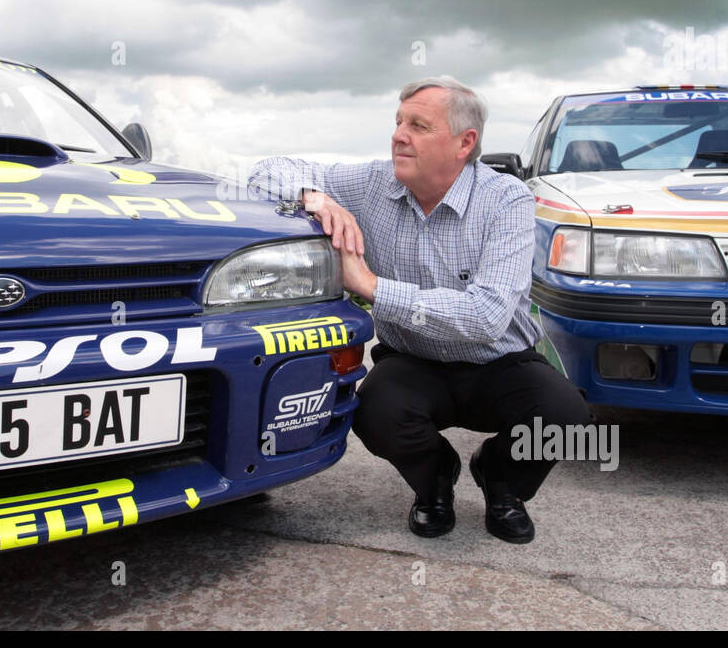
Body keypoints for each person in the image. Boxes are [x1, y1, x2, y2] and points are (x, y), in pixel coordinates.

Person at [248, 77, 590, 543]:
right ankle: (435, 481)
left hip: (499, 361)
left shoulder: (507, 199)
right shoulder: (372, 183)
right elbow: (268, 170)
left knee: (568, 419)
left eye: (418, 125)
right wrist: (316, 196)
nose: (398, 135)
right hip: (414, 360)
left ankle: (501, 479)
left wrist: (370, 286)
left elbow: (488, 316)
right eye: (398, 122)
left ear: (464, 143)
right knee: (374, 412)